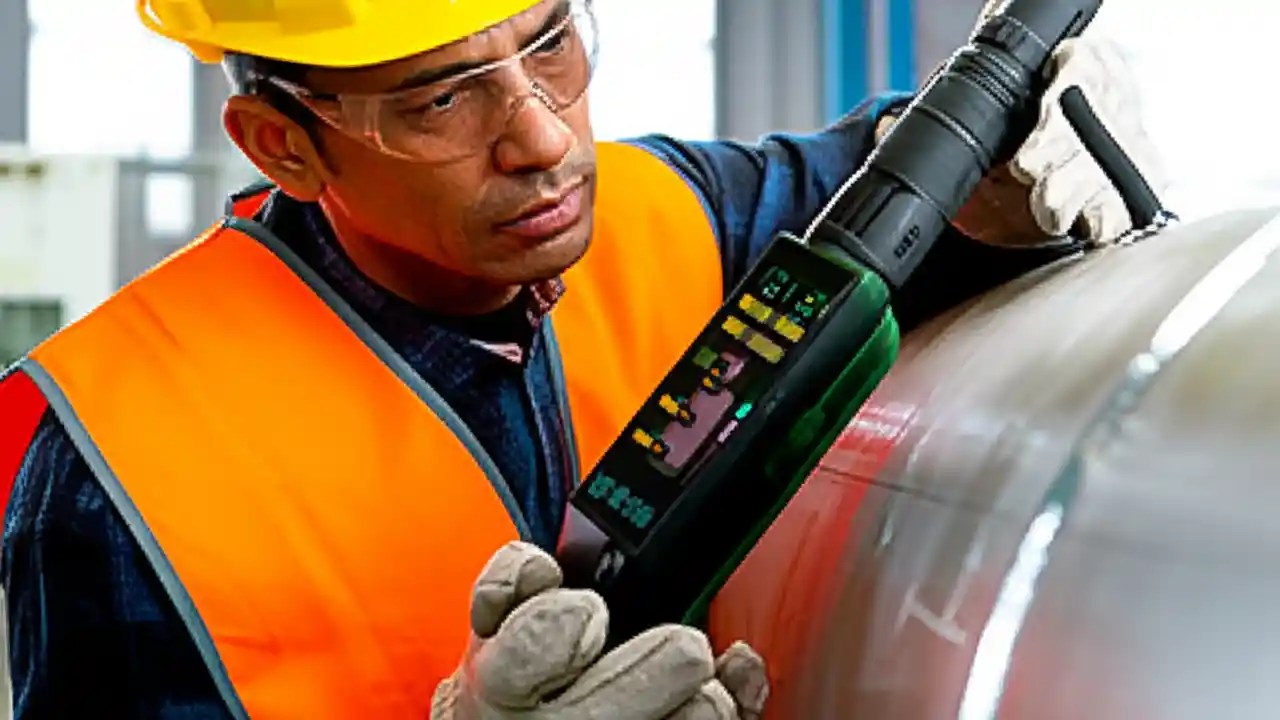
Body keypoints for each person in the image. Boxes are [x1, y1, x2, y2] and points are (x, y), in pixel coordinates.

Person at [0, 0, 1165, 717]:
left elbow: (882, 187)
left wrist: (1011, 177)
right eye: (441, 100)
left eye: (551, 42)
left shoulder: (686, 218)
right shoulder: (118, 467)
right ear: (281, 146)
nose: (541, 136)